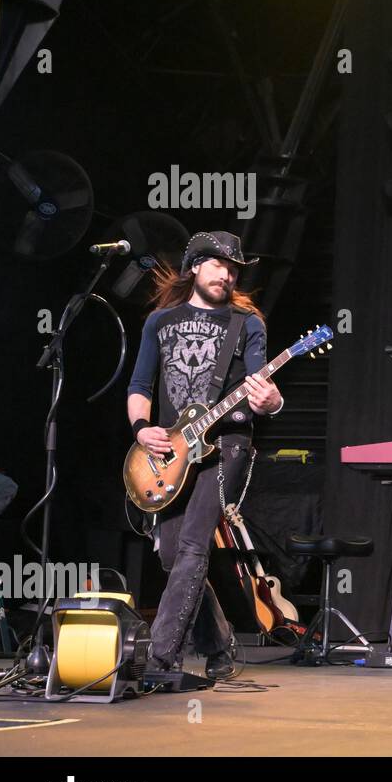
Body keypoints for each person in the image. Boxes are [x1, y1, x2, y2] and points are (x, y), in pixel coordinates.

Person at [126, 231, 283, 679]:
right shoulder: (160, 322)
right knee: (171, 554)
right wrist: (142, 430)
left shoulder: (247, 323)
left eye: (233, 268)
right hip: (173, 450)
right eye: (218, 264)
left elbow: (259, 390)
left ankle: (159, 659)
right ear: (194, 266)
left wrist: (270, 401)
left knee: (195, 544)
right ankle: (220, 643)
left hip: (227, 446)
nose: (227, 274)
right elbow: (139, 386)